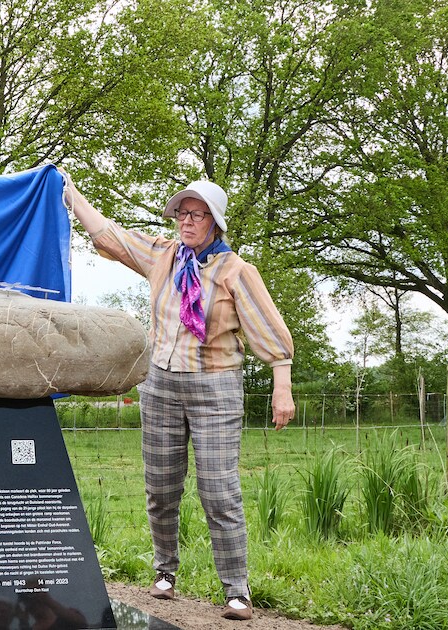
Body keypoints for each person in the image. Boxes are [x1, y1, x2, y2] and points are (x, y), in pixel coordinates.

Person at [63, 176, 295, 622]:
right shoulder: (163, 256)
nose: (186, 221)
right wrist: (71, 192)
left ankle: (236, 591)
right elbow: (109, 235)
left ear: (215, 222)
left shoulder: (235, 272)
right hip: (161, 385)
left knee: (219, 490)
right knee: (161, 486)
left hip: (215, 388)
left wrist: (281, 387)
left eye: (197, 214)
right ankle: (165, 572)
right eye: (182, 213)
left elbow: (269, 331)